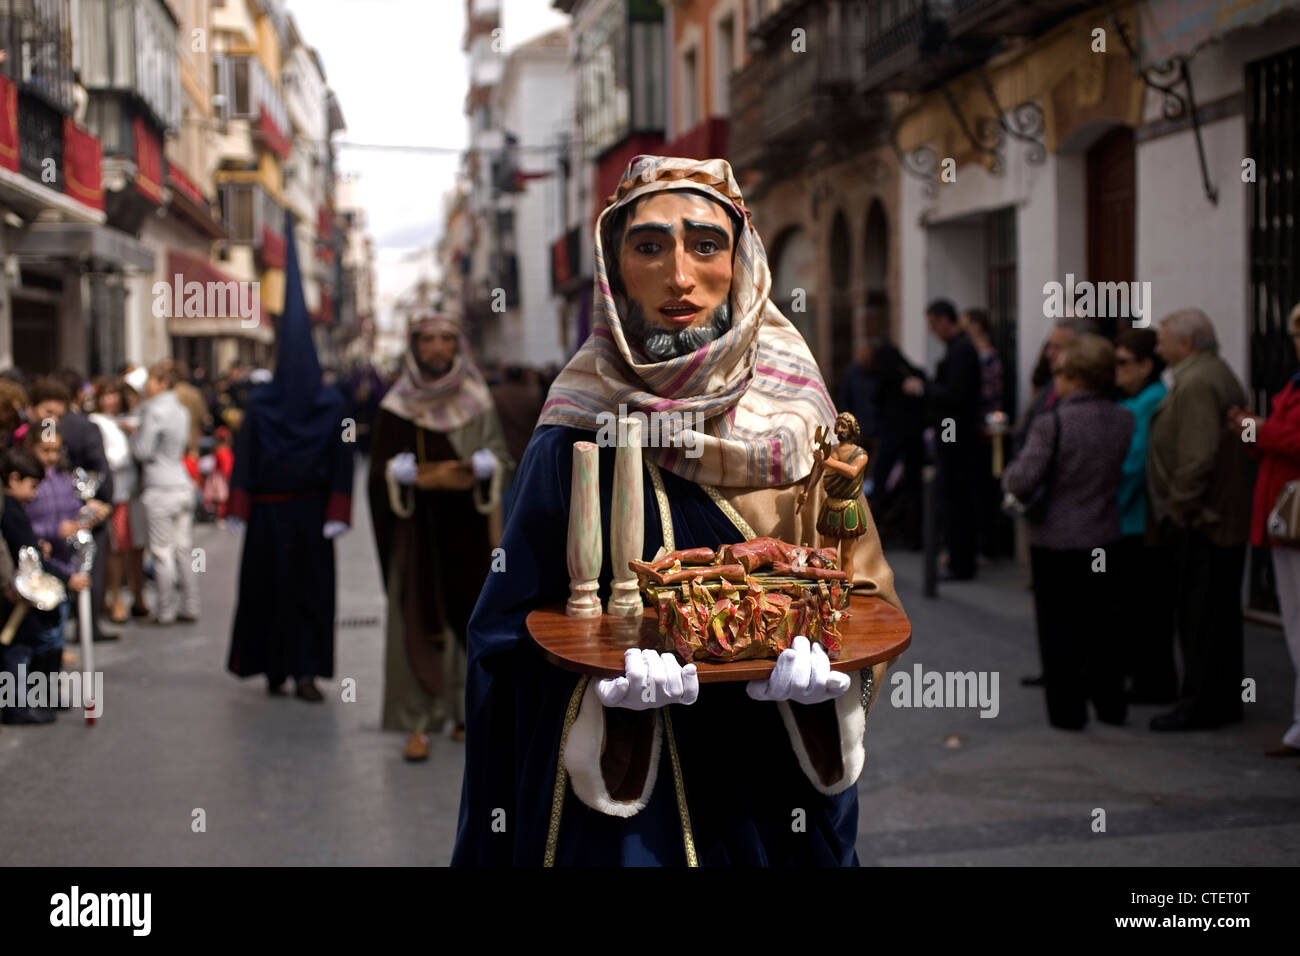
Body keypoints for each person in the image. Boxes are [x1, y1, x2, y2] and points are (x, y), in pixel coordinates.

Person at [452, 155, 903, 867]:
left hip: (767, 791)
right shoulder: (574, 427)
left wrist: (828, 693)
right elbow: (502, 639)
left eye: (706, 244)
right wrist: (600, 699)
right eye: (649, 247)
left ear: (741, 263)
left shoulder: (803, 424)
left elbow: (865, 597)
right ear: (614, 268)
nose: (680, 276)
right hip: (627, 823)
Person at [369, 312, 514, 760]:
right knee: (416, 619)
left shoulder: (477, 399)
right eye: (428, 339)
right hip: (417, 532)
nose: (436, 348)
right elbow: (377, 472)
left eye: (445, 339)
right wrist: (394, 474)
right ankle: (418, 721)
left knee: (470, 618)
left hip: (469, 527)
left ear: (457, 346)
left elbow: (504, 458)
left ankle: (465, 712)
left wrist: (491, 467)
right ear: (415, 347)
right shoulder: (397, 405)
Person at [226, 215, 354, 702]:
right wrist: (239, 506)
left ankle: (304, 670)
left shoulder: (329, 407)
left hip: (308, 515)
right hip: (273, 514)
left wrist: (337, 510)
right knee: (269, 591)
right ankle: (275, 667)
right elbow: (246, 456)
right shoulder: (266, 407)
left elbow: (342, 461)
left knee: (308, 594)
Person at [1003, 335, 1134, 729]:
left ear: (1076, 377)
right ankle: (1111, 705)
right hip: (1105, 535)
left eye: (1060, 372)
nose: (1055, 379)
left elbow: (1020, 479)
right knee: (1104, 624)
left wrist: (1010, 475)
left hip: (1055, 540)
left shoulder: (1053, 423)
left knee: (1058, 627)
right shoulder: (1123, 419)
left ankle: (1068, 712)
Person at [1147, 308, 1254, 731]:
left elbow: (1198, 455)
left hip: (1205, 519)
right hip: (1216, 515)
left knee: (1202, 616)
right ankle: (1219, 699)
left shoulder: (1197, 382)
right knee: (1216, 614)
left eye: (1163, 340)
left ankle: (1202, 704)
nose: (1158, 349)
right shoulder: (1211, 373)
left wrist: (1181, 507)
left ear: (1186, 343)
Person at [1230, 302, 1300, 759]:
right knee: (1295, 625)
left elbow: (1289, 438)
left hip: (1294, 514)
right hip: (1285, 515)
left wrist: (1261, 429)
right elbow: (1276, 444)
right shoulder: (1295, 381)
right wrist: (1250, 431)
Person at [0, 447, 91, 724]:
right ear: (14, 479)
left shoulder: (12, 509)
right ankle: (17, 705)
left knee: (25, 644)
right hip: (12, 592)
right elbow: (27, 553)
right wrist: (66, 577)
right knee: (18, 648)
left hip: (13, 587)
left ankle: (35, 697)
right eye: (32, 486)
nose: (35, 494)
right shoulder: (10, 511)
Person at [22, 377, 116, 641]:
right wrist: (51, 530)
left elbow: (72, 502)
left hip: (61, 563)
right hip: (34, 563)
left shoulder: (63, 475)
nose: (52, 421)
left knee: (55, 633)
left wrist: (88, 511)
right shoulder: (22, 469)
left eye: (58, 416)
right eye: (48, 413)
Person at [1112, 329, 1175, 704]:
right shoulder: (1136, 400)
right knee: (1135, 607)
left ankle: (1151, 682)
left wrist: (1108, 504)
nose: (1116, 370)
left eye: (1123, 362)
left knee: (1144, 608)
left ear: (1146, 365)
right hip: (1130, 517)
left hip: (1138, 520)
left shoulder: (1151, 401)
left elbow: (1134, 464)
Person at [904, 299, 981, 580]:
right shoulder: (957, 349)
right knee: (951, 497)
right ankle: (957, 559)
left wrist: (923, 389)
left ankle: (960, 563)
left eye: (933, 323)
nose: (932, 330)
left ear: (943, 319)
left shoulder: (962, 350)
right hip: (952, 435)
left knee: (955, 498)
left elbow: (956, 395)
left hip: (956, 438)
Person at [130, 362, 198, 626]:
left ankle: (165, 609)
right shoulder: (181, 410)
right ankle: (191, 604)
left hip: (160, 486)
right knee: (184, 549)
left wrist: (133, 435)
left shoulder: (154, 411)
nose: (146, 385)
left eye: (149, 380)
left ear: (161, 383)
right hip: (182, 483)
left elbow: (143, 450)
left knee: (162, 552)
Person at [88, 377, 136, 624]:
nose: (111, 399)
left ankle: (113, 596)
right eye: (106, 394)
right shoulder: (97, 422)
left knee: (119, 549)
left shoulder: (120, 421)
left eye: (114, 394)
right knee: (113, 549)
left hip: (124, 492)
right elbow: (108, 458)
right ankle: (112, 598)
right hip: (110, 493)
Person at [838, 340, 880, 466]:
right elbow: (845, 400)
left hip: (875, 428)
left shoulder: (878, 374)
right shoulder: (852, 374)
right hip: (858, 427)